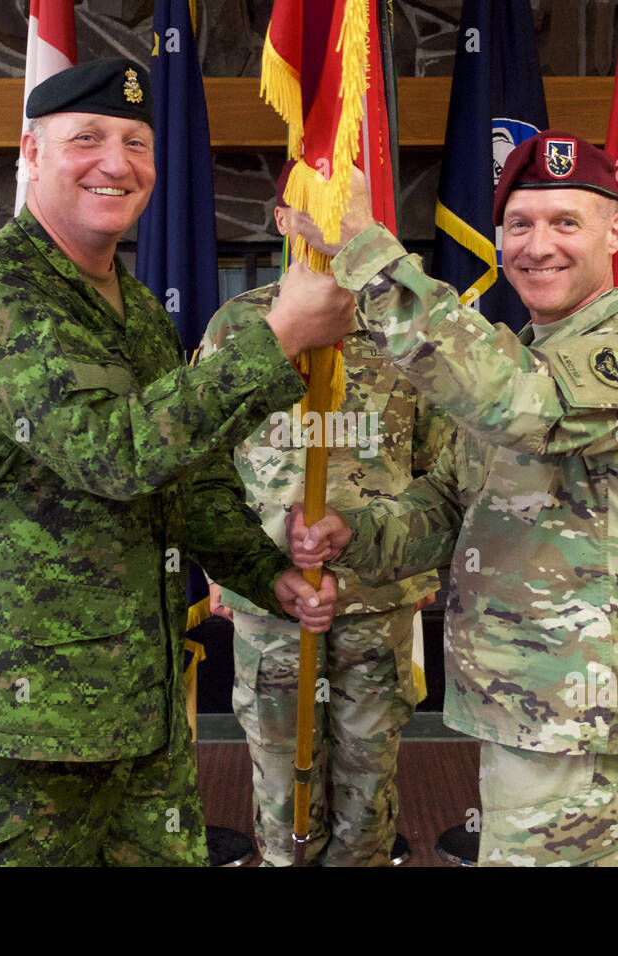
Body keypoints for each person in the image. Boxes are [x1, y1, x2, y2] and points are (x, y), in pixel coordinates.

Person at [0, 58, 350, 866]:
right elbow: (111, 453)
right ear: (29, 153)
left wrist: (261, 568)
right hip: (11, 720)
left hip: (137, 704)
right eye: (86, 138)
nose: (116, 162)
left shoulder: (131, 305)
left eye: (136, 142)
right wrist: (275, 337)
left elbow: (184, 470)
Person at [289, 133, 618, 866]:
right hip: (527, 704)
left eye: (565, 222)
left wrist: (365, 248)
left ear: (614, 231)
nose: (537, 245)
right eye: (519, 225)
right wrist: (350, 534)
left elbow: (515, 403)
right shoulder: (523, 358)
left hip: (578, 712)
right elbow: (454, 511)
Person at [194, 163, 454, 866]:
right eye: (311, 206)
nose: (328, 221)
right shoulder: (241, 327)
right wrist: (224, 570)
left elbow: (441, 461)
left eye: (346, 205)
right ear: (282, 220)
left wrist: (418, 559)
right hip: (270, 595)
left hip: (377, 596)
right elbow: (203, 463)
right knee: (282, 780)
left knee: (369, 782)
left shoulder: (406, 329)